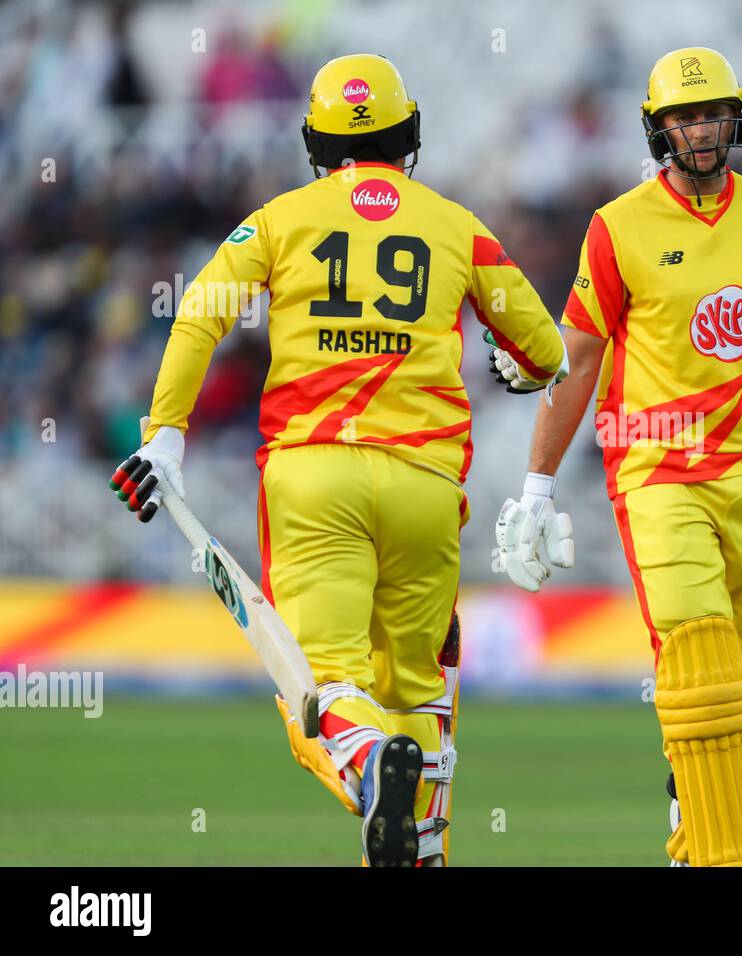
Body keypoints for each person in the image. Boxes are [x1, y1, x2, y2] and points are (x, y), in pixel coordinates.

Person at [109, 53, 567, 866]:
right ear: (409, 134)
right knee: (420, 695)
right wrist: (517, 368)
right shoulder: (456, 223)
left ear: (316, 142)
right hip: (426, 485)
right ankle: (417, 842)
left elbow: (199, 316)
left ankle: (365, 768)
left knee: (319, 692)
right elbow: (543, 350)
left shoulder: (281, 218)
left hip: (314, 477)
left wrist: (165, 435)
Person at [487, 47, 742, 867]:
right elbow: (577, 358)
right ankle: (726, 853)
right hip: (659, 472)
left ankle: (696, 836)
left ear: (739, 116)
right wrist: (537, 488)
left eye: (712, 114)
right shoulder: (617, 226)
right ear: (658, 130)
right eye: (683, 118)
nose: (701, 130)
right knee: (703, 679)